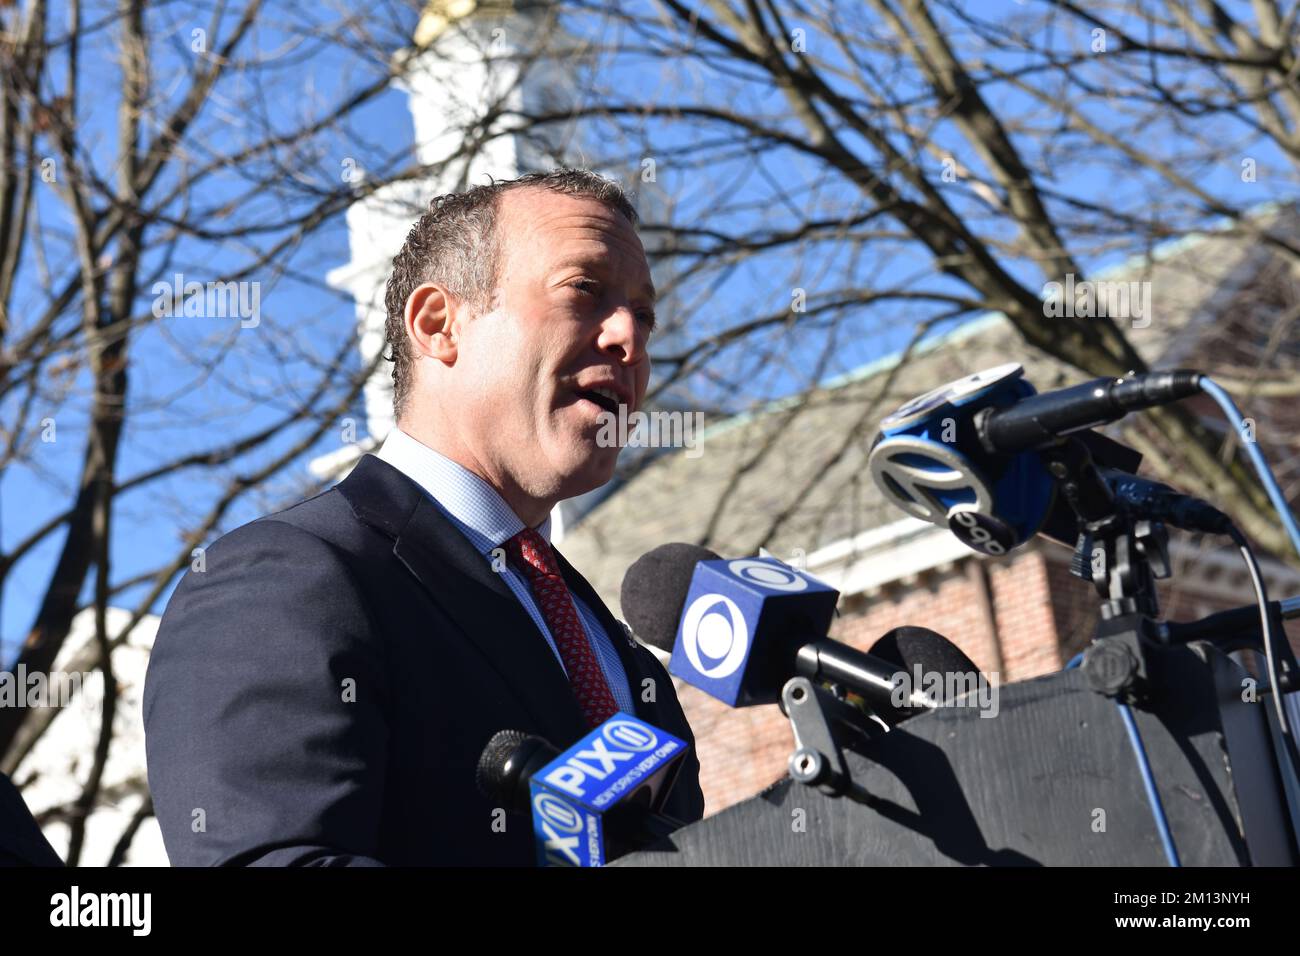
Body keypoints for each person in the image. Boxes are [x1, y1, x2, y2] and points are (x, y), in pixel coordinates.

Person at [143, 168, 705, 865]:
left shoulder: (609, 647)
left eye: (644, 314)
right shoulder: (289, 580)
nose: (631, 338)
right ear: (439, 325)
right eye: (586, 290)